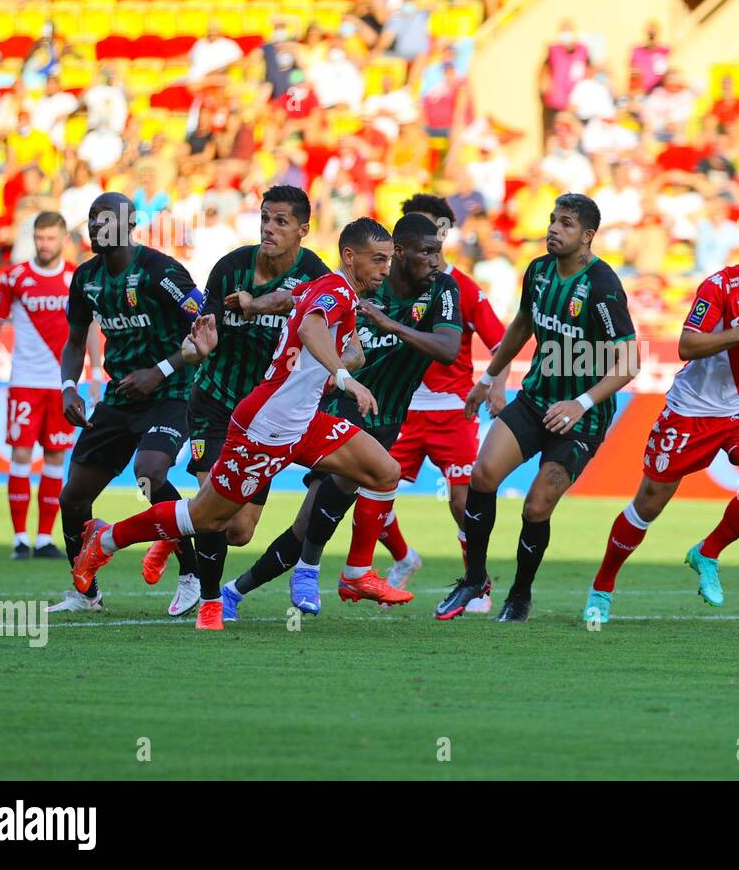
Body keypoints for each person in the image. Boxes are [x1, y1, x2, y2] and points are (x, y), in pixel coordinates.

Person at [69, 218, 402, 631]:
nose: (386, 269)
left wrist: (339, 355)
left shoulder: (334, 291)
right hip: (267, 426)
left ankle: (356, 573)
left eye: (388, 260)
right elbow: (312, 325)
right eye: (379, 260)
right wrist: (344, 376)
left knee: (386, 472)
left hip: (304, 423)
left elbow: (305, 315)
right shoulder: (333, 290)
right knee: (208, 520)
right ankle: (103, 540)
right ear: (350, 257)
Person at [220, 213, 462, 622]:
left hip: (382, 419)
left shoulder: (439, 290)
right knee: (289, 519)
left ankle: (235, 590)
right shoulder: (350, 288)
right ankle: (339, 573)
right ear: (397, 253)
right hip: (333, 413)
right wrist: (254, 303)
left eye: (438, 251)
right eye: (427, 252)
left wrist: (384, 328)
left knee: (310, 523)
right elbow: (300, 300)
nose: (436, 261)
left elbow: (447, 348)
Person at [584, 213, 739, 622]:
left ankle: (707, 552)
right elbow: (686, 346)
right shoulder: (722, 286)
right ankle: (602, 588)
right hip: (691, 410)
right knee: (648, 504)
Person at [435, 194, 638, 622]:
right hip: (535, 399)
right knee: (482, 474)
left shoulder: (602, 287)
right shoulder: (539, 271)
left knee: (536, 506)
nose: (553, 229)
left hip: (582, 417)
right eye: (551, 220)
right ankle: (474, 578)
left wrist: (582, 403)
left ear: (587, 236)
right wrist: (489, 376)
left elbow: (630, 361)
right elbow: (523, 324)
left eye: (565, 223)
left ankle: (520, 596)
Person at [162, 185, 332, 613]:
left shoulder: (315, 276)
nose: (269, 229)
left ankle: (172, 527)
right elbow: (207, 326)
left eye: (281, 222)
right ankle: (209, 602)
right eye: (264, 218)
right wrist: (202, 345)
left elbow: (331, 331)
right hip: (216, 401)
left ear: (303, 230)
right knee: (215, 515)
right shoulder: (230, 266)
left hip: (265, 415)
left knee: (239, 530)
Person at [49, 194, 205, 614]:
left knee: (149, 473)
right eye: (91, 219)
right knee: (73, 497)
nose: (96, 226)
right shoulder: (85, 278)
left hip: (172, 391)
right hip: (121, 396)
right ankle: (86, 594)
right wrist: (67, 386)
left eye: (106, 219)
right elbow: (75, 340)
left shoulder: (161, 271)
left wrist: (162, 369)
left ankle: (192, 575)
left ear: (129, 223)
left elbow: (208, 325)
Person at [378, 194, 508, 612]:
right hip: (400, 409)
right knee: (367, 492)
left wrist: (495, 384)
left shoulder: (462, 289)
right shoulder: (386, 283)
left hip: (452, 410)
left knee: (461, 502)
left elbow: (502, 342)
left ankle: (478, 584)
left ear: (445, 233)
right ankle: (402, 557)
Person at [0, 212, 101, 559]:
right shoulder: (15, 276)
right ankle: (20, 538)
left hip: (61, 384)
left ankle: (45, 538)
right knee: (20, 455)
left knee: (54, 457)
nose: (44, 244)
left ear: (64, 239)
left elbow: (91, 327)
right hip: (24, 381)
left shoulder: (76, 278)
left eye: (50, 238)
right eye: (39, 238)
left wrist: (94, 374)